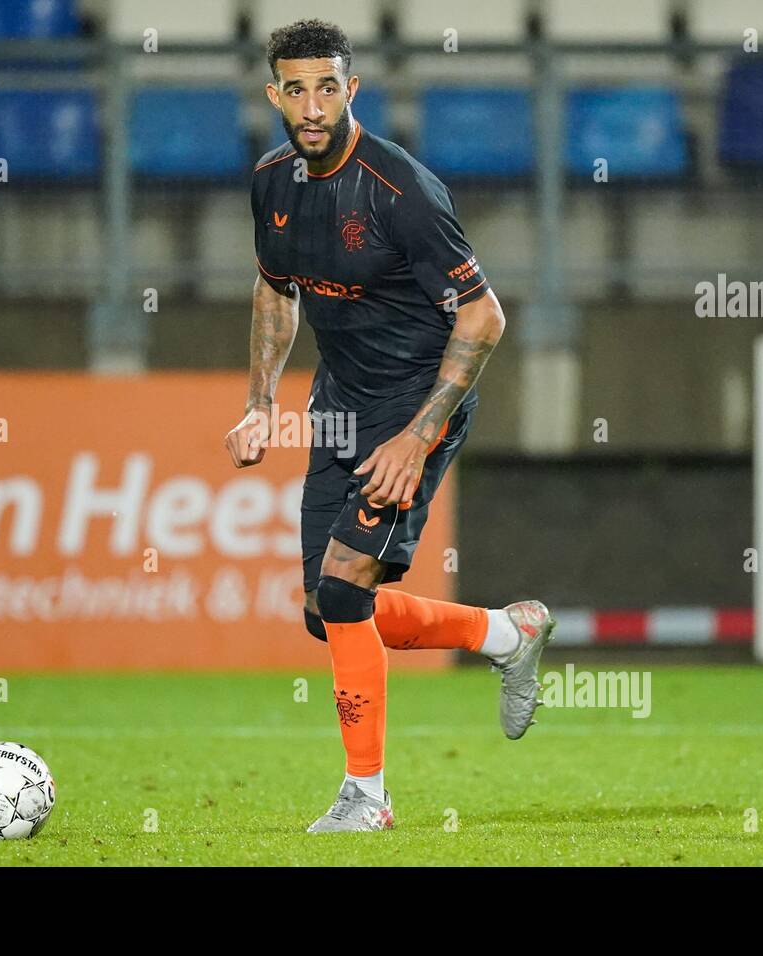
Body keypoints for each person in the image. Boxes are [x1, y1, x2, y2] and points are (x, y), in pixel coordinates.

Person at [224, 19, 557, 834]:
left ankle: (365, 799)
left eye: (327, 86)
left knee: (343, 589)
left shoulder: (401, 191)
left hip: (416, 403)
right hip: (339, 402)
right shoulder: (271, 182)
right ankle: (504, 634)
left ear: (352, 90)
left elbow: (483, 317)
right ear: (274, 95)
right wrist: (261, 402)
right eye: (295, 88)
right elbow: (275, 290)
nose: (311, 105)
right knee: (327, 608)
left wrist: (417, 436)